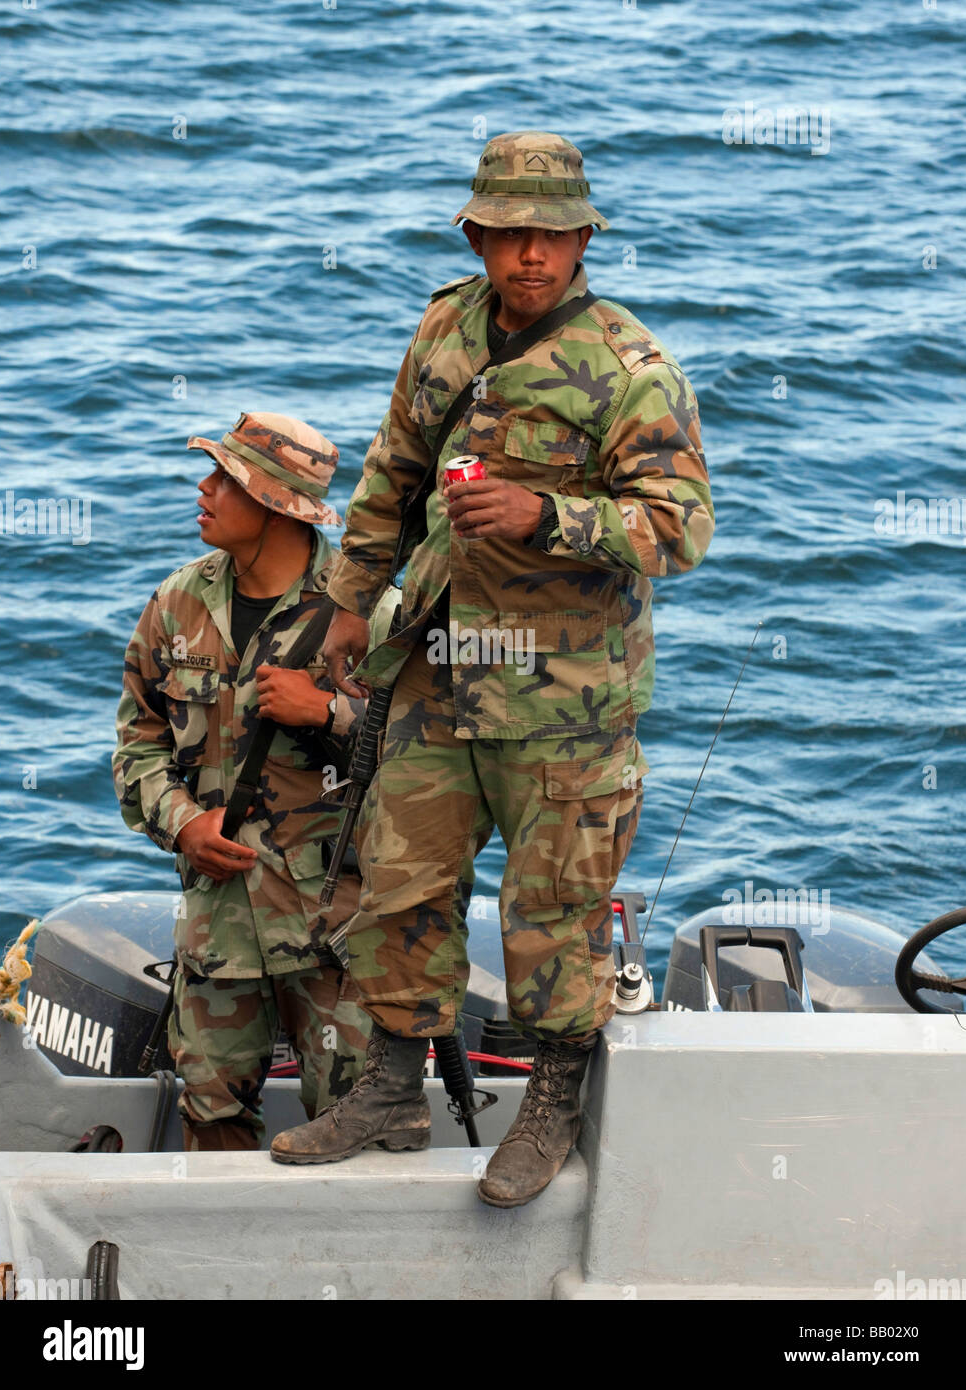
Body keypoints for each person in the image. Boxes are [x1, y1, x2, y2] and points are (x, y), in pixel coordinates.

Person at [270, 131, 715, 1205]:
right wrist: (344, 604)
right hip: (437, 665)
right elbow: (392, 473)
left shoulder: (628, 369)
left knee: (551, 906)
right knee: (400, 878)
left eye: (552, 237)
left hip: (563, 695)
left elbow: (680, 529)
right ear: (475, 233)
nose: (530, 256)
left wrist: (545, 514)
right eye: (510, 233)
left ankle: (552, 1101)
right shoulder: (445, 327)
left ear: (582, 242)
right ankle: (390, 1085)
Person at [113, 411, 371, 1151]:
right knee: (211, 1126)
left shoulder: (362, 614)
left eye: (225, 479)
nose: (204, 488)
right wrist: (181, 821)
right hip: (219, 927)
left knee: (355, 1130)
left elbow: (432, 763)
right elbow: (138, 743)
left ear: (275, 504)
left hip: (335, 935)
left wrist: (328, 711)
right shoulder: (176, 605)